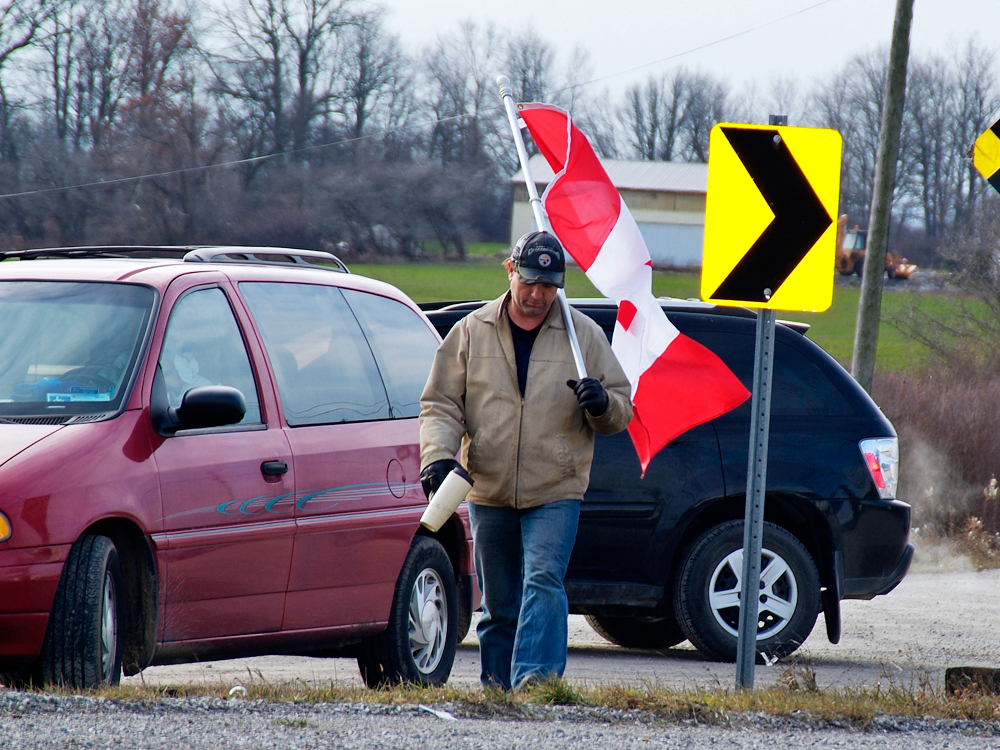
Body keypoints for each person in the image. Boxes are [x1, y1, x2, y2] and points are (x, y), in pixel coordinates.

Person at [419, 230, 633, 690]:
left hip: (555, 486)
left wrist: (602, 405)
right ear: (511, 271)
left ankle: (535, 685)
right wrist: (437, 456)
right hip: (488, 486)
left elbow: (620, 410)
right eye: (530, 281)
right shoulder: (471, 331)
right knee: (499, 601)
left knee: (543, 581)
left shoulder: (583, 336)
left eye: (549, 285)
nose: (538, 295)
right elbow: (440, 404)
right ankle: (497, 691)